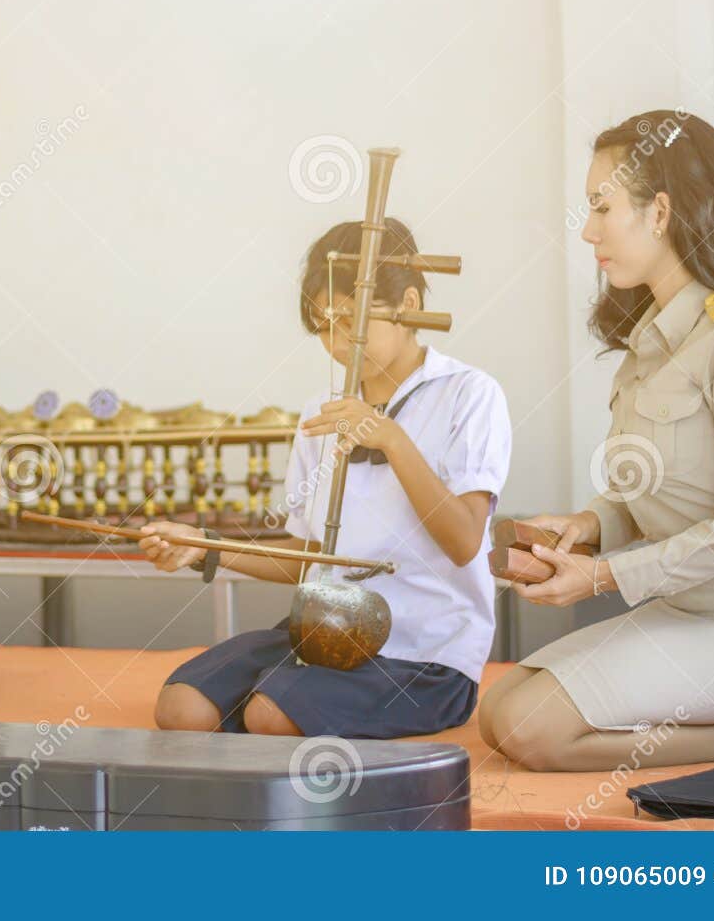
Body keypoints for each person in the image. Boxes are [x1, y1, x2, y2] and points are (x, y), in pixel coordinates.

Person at [477, 111, 714, 771]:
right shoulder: (647, 344)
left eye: (602, 207)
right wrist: (589, 524)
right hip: (687, 609)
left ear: (659, 213)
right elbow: (654, 492)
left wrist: (602, 576)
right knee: (499, 710)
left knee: (531, 730)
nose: (589, 230)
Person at [139, 218, 511, 738]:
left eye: (348, 321)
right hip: (327, 633)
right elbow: (306, 553)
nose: (337, 343)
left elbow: (465, 541)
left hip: (425, 654)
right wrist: (205, 545)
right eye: (322, 326)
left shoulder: (469, 394)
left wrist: (392, 439)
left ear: (407, 303)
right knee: (182, 708)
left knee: (271, 714)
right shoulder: (322, 411)